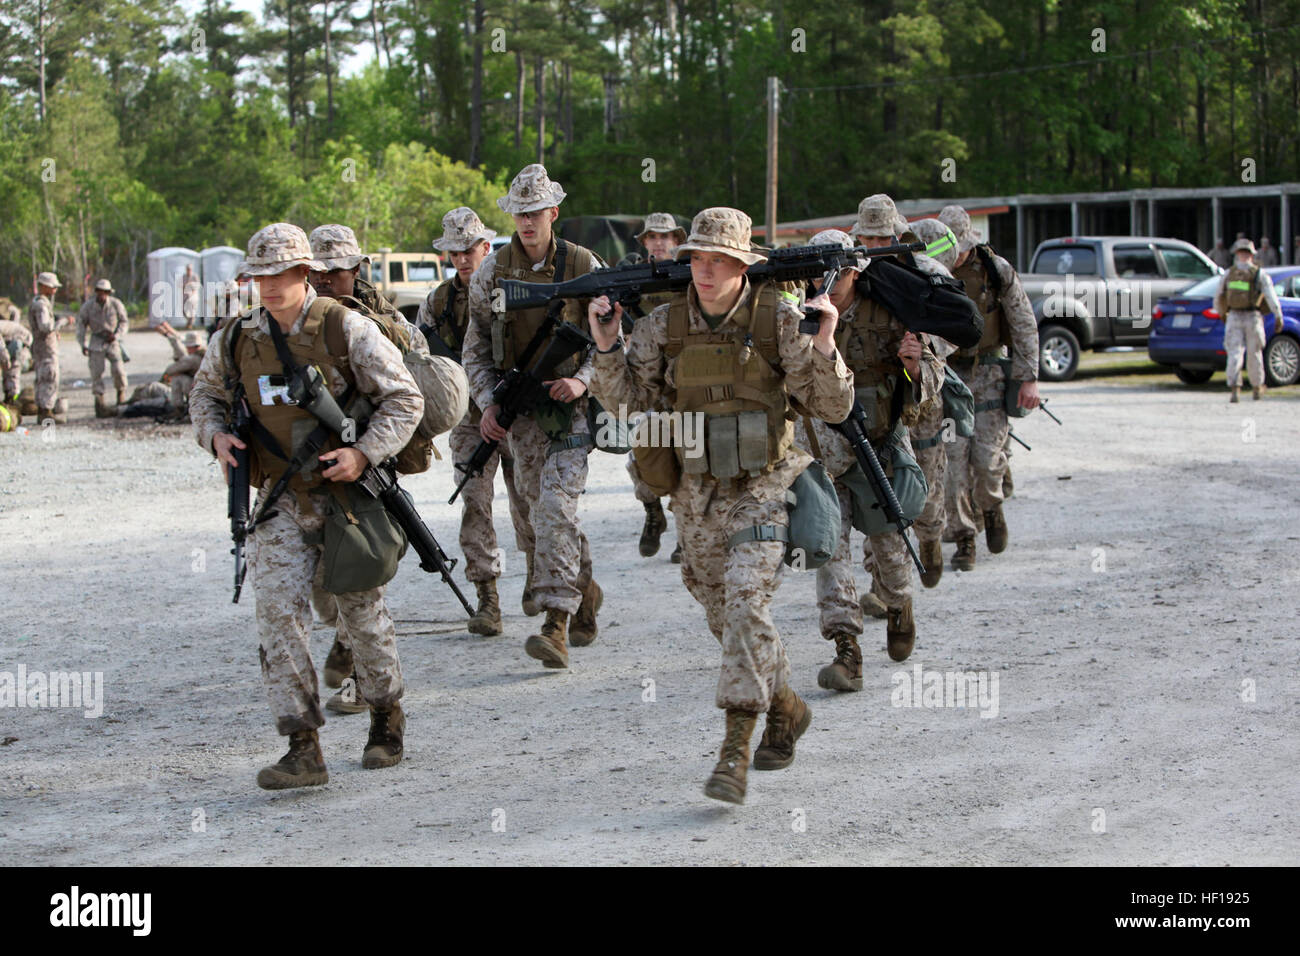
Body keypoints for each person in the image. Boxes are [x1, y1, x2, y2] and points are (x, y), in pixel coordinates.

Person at [588, 207, 855, 804]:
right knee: (721, 611)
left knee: (743, 602)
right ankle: (786, 703)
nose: (704, 272)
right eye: (697, 260)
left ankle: (734, 748)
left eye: (718, 261)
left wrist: (826, 341)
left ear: (743, 266)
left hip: (764, 484)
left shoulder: (779, 319)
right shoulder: (663, 326)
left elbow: (832, 407)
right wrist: (607, 347)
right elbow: (630, 408)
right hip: (696, 490)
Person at [189, 223, 424, 790]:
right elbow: (205, 396)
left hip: (347, 497)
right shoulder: (236, 338)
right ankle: (302, 746)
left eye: (278, 275)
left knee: (360, 613)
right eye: (258, 276)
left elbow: (405, 398)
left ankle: (385, 720)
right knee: (278, 616)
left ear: (302, 272)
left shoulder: (347, 327)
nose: (267, 286)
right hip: (278, 500)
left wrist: (364, 454)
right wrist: (215, 437)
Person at [462, 163, 605, 669]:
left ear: (554, 213)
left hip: (570, 411)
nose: (527, 222)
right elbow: (475, 348)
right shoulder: (492, 271)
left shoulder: (583, 264)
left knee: (555, 509)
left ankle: (556, 624)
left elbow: (610, 338)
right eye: (519, 213)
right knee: (534, 516)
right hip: (521, 417)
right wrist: (487, 403)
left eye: (536, 212)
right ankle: (583, 589)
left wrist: (583, 380)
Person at [418, 206, 535, 638]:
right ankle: (488, 598)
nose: (463, 259)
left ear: (487, 247)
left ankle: (537, 572)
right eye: (454, 253)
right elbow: (424, 366)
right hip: (469, 420)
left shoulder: (514, 291)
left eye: (470, 249)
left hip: (517, 415)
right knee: (475, 503)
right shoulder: (435, 304)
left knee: (528, 501)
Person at [937, 204, 1039, 572]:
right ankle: (964, 538)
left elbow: (1023, 322)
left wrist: (1028, 377)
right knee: (951, 465)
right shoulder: (931, 270)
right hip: (948, 378)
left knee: (986, 460)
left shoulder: (996, 272)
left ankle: (992, 508)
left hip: (990, 374)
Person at [895, 217, 964, 590]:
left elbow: (957, 327)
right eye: (866, 236)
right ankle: (887, 585)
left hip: (924, 395)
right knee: (886, 486)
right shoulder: (860, 274)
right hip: (883, 397)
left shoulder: (929, 272)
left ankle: (932, 537)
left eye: (881, 236)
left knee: (928, 478)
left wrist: (924, 351)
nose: (874, 242)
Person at [626, 213, 687, 563]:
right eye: (652, 237)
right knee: (642, 456)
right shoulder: (632, 276)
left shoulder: (689, 274)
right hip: (647, 379)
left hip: (682, 380)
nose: (659, 242)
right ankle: (653, 512)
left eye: (666, 236)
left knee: (687, 455)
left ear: (677, 239)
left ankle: (684, 533)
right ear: (645, 242)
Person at [1214, 238, 1282, 402]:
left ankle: (1235, 388)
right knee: (1255, 354)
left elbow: (1217, 297)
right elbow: (1271, 297)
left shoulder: (1229, 273)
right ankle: (1257, 388)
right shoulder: (1259, 274)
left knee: (1234, 353)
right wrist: (1278, 316)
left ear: (1237, 254)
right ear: (1252, 254)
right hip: (1253, 317)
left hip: (1234, 317)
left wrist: (1222, 313)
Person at [77, 278, 130, 415]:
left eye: (105, 292)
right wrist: (82, 343)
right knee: (96, 373)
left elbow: (124, 322)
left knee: (119, 369)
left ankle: (121, 396)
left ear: (108, 292)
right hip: (96, 341)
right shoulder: (88, 306)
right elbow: (81, 325)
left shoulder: (116, 304)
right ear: (96, 292)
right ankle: (99, 403)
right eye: (100, 291)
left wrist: (117, 335)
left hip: (112, 341)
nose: (102, 294)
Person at [27, 272, 63, 422]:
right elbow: (44, 327)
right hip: (46, 347)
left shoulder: (38, 302)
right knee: (50, 375)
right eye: (52, 286)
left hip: (41, 346)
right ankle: (46, 411)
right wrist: (61, 323)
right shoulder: (41, 305)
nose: (55, 289)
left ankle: (43, 408)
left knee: (43, 375)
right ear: (44, 286)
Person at [154, 322, 206, 419]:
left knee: (177, 378)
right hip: (207, 390)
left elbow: (170, 370)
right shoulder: (204, 354)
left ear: (190, 346)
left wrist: (178, 372)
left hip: (200, 391)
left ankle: (179, 409)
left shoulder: (193, 359)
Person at [0, 303, 32, 404]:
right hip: (12, 341)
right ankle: (9, 395)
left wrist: (5, 359)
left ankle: (13, 398)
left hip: (20, 342)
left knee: (13, 370)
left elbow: (2, 347)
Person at [181, 265, 201, 330]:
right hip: (185, 295)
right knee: (184, 311)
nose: (188, 270)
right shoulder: (184, 276)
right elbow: (182, 286)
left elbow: (197, 286)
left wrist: (191, 288)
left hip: (193, 296)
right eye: (187, 269)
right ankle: (189, 322)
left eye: (189, 269)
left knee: (192, 310)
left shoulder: (195, 276)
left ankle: (190, 324)